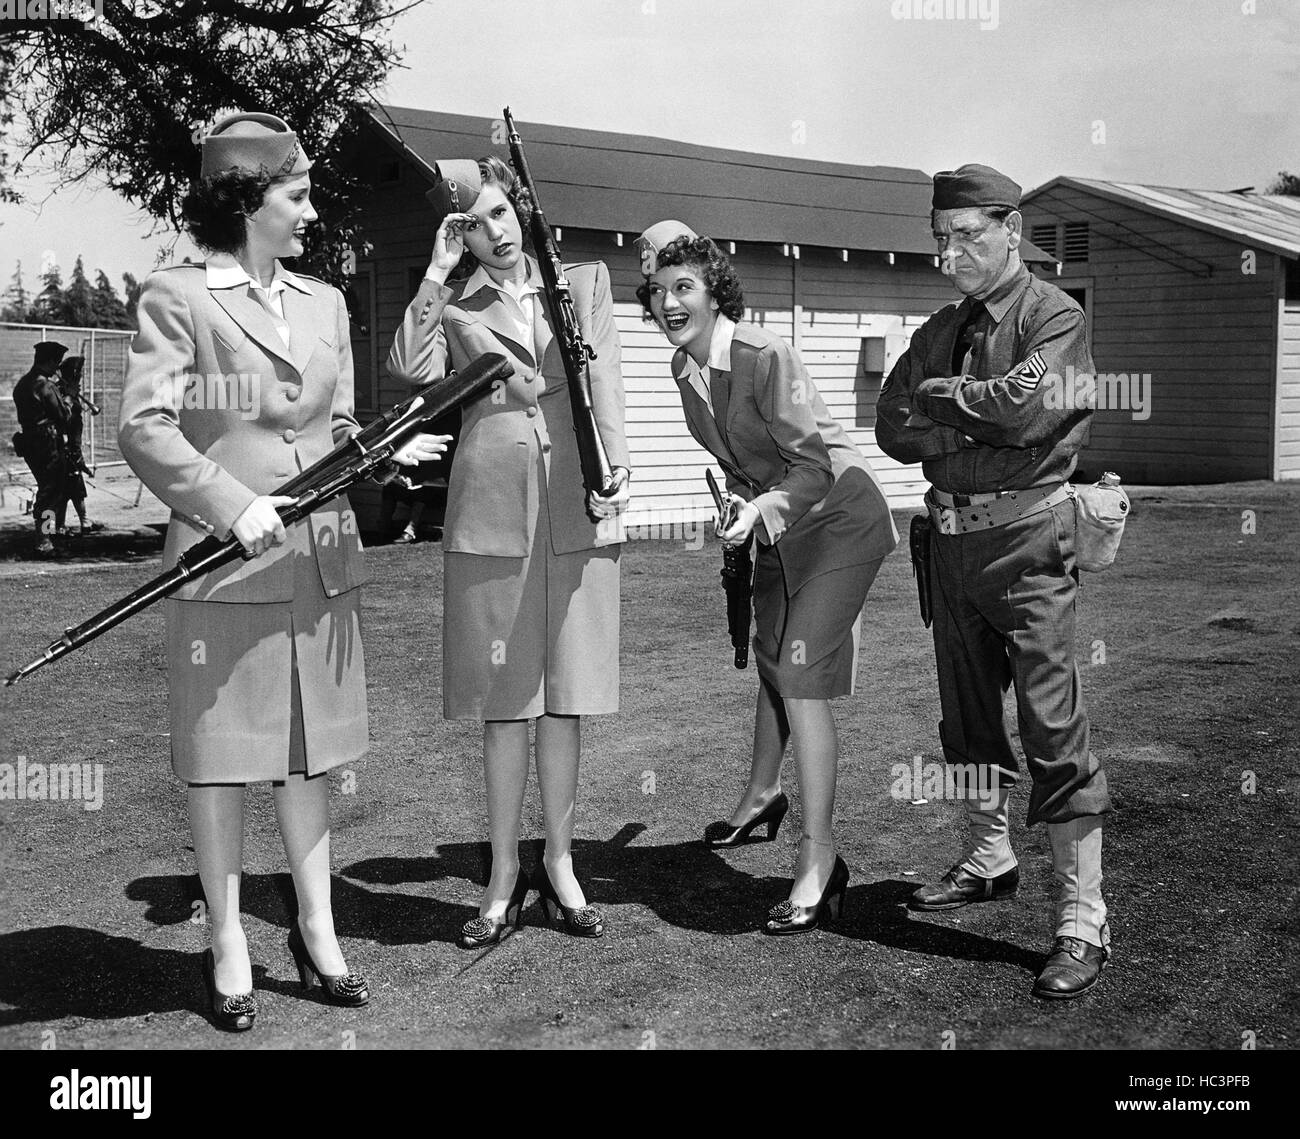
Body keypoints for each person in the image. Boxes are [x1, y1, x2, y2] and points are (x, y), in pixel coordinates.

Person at [118, 112, 446, 1030]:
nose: (308, 212)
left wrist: (379, 450)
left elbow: (329, 428)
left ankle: (317, 925)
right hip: (225, 567)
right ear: (245, 200)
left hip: (318, 567)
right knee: (222, 763)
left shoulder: (325, 302)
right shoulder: (177, 296)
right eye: (295, 195)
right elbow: (145, 426)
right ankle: (228, 939)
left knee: (308, 759)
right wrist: (229, 500)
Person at [875, 163, 1112, 999]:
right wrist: (958, 405)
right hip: (950, 544)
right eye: (942, 239)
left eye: (968, 235)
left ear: (1012, 228)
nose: (952, 254)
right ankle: (988, 855)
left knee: (1053, 723)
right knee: (967, 717)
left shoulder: (1057, 317)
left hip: (1029, 540)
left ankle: (1083, 919)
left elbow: (1025, 413)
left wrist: (939, 397)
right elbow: (890, 426)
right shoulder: (940, 326)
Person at [389, 157, 631, 948]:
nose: (493, 234)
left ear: (521, 204)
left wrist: (615, 470)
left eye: (499, 213)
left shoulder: (584, 283)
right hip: (491, 514)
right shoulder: (456, 303)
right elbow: (409, 370)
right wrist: (434, 270)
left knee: (566, 697)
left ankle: (560, 863)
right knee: (505, 705)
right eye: (472, 225)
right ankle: (501, 873)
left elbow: (606, 385)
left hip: (575, 503)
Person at [636, 223, 898, 935]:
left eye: (684, 286)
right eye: (657, 291)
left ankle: (821, 858)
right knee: (772, 655)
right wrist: (737, 505)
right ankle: (762, 795)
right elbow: (739, 457)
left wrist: (760, 507)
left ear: (714, 290)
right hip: (778, 522)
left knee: (802, 670)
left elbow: (810, 464)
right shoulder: (683, 369)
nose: (669, 302)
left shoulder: (763, 355)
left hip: (838, 514)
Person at [12, 340, 71, 556]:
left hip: (30, 442)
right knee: (50, 490)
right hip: (47, 443)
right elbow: (63, 416)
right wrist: (69, 397)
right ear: (50, 361)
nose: (58, 368)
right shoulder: (45, 386)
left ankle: (46, 535)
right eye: (57, 363)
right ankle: (44, 540)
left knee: (47, 488)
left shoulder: (22, 384)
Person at [54, 355, 104, 536]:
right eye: (78, 378)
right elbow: (72, 432)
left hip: (59, 451)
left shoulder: (61, 395)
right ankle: (50, 533)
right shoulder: (67, 401)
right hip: (64, 452)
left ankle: (76, 524)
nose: (81, 383)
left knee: (70, 490)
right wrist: (78, 458)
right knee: (61, 493)